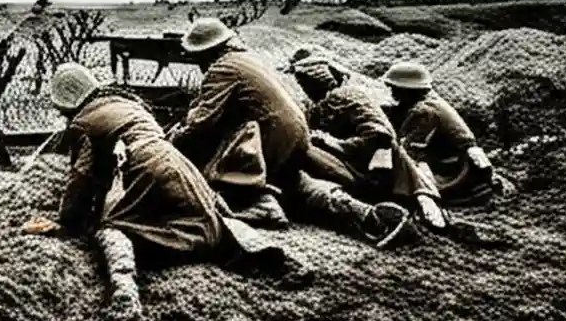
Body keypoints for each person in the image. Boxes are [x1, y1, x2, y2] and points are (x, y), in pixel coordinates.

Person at [22, 63, 297, 321]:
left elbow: (81, 176)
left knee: (112, 227)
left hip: (143, 167)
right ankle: (275, 256)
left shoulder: (83, 123)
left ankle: (124, 294)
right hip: (177, 163)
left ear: (67, 105)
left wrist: (66, 220)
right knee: (209, 213)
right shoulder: (128, 104)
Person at [166, 18, 412, 246]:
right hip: (294, 135)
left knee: (205, 177)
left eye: (196, 57)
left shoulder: (222, 69)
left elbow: (200, 122)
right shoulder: (249, 59)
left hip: (272, 137)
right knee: (294, 181)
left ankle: (258, 203)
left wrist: (170, 143)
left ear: (206, 52)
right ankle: (365, 213)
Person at [286, 52, 447, 231]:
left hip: (373, 166)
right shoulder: (313, 107)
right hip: (342, 168)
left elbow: (379, 135)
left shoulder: (348, 97)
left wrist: (335, 143)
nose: (302, 87)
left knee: (391, 148)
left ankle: (424, 197)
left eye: (304, 81)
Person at [381, 61, 497, 207]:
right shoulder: (432, 102)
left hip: (453, 168)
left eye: (395, 89)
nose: (392, 93)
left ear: (406, 90)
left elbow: (412, 150)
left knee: (400, 168)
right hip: (453, 159)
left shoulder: (424, 111)